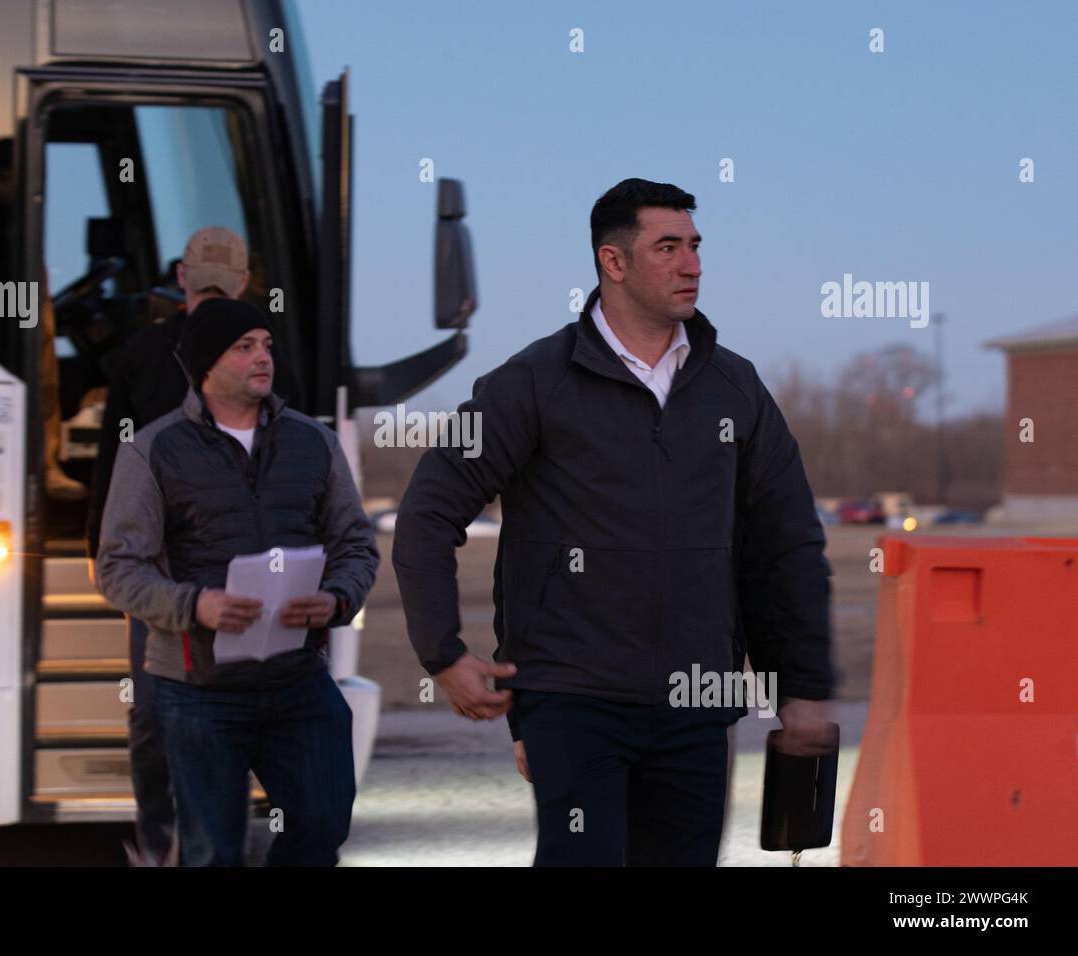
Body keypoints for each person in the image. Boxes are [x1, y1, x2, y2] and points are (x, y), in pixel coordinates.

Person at [392, 178, 837, 866]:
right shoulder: (533, 382)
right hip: (573, 698)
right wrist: (442, 652)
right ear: (614, 262)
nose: (691, 264)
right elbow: (428, 511)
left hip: (698, 701)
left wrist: (803, 687)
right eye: (668, 247)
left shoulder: (735, 388)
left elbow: (787, 545)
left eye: (694, 246)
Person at [95, 298, 378, 867]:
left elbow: (355, 543)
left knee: (322, 826)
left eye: (267, 345)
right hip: (199, 689)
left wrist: (338, 597)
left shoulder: (312, 442)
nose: (262, 358)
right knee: (212, 853)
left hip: (298, 681)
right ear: (207, 366)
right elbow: (118, 567)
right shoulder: (153, 449)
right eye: (244, 347)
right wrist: (193, 605)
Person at [86, 226, 251, 866]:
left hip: (239, 574)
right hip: (161, 580)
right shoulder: (143, 354)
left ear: (240, 284)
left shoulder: (261, 355)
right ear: (181, 278)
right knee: (154, 716)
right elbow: (112, 457)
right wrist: (104, 546)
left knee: (229, 717)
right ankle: (159, 847)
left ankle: (212, 844)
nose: (209, 293)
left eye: (220, 284)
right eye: (200, 282)